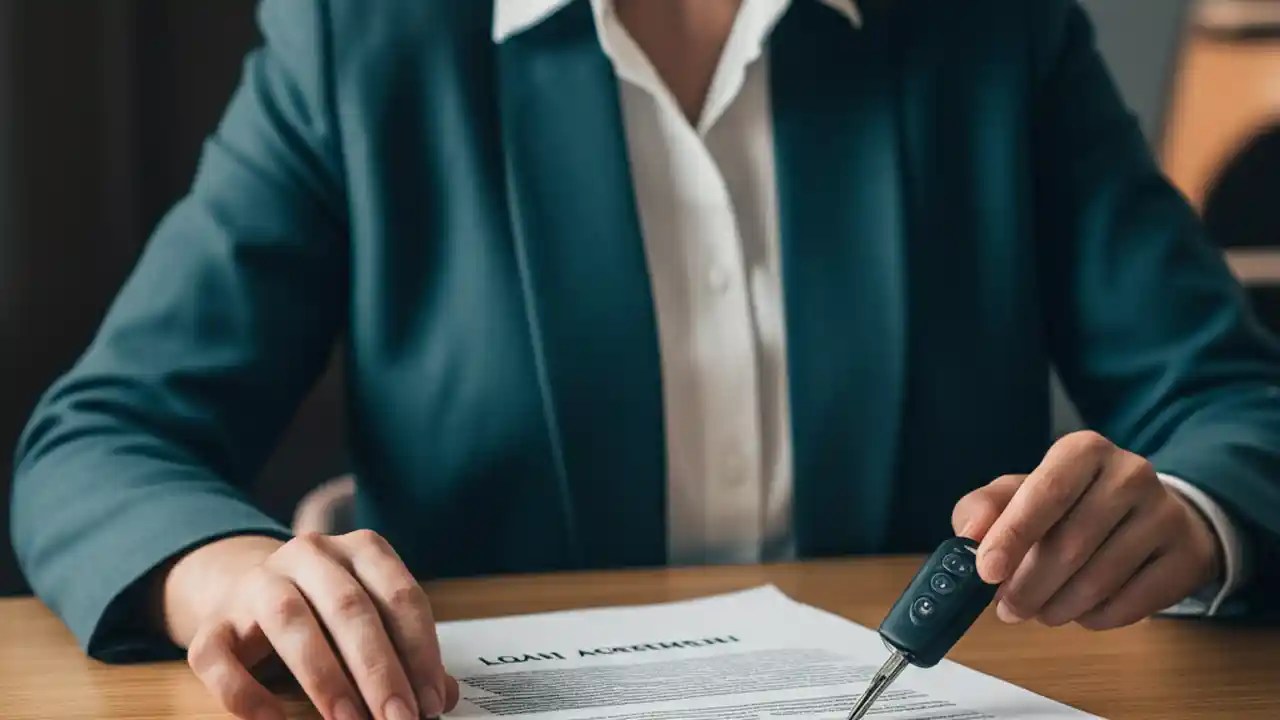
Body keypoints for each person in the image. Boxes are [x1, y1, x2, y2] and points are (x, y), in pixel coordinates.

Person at [11, 0, 1280, 718]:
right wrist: (222, 575)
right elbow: (104, 439)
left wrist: (1183, 514)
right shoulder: (363, 39)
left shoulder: (992, 30)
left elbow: (1228, 400)